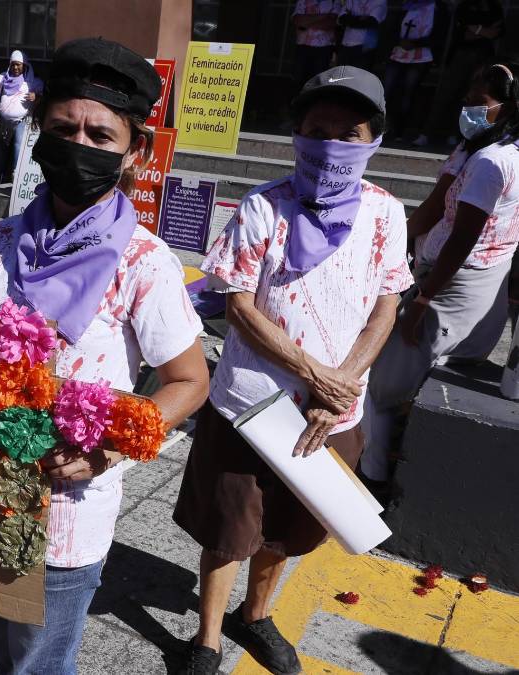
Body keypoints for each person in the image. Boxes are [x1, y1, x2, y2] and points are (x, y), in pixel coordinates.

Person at [0, 37, 210, 674]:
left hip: (62, 510)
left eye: (100, 135)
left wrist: (106, 449)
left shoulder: (144, 263)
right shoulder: (2, 241)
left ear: (133, 151)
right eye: (63, 129)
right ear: (37, 132)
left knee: (38, 659)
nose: (79, 146)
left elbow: (188, 381)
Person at [173, 66, 410, 674]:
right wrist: (310, 368)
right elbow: (238, 304)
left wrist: (342, 384)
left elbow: (387, 304)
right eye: (317, 129)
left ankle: (255, 617)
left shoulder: (385, 214)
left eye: (348, 133)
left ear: (374, 140)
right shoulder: (263, 207)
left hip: (331, 415)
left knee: (290, 526)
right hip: (251, 405)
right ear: (297, 136)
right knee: (231, 526)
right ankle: (205, 638)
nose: (331, 144)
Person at [362, 61, 519, 483]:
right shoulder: (475, 150)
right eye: (467, 98)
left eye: (479, 101)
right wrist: (395, 252)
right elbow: (436, 205)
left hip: (453, 287)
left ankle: (374, 479)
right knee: (404, 379)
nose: (467, 107)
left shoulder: (493, 162)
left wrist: (425, 299)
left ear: (508, 109)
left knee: (384, 385)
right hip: (448, 276)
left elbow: (464, 237)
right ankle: (382, 464)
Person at [415, 0, 503, 148]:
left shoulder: (494, 7)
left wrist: (478, 30)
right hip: (461, 54)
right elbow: (466, 30)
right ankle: (426, 133)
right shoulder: (466, 5)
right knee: (445, 93)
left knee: (471, 96)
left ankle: (457, 134)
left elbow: (496, 31)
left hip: (484, 56)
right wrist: (484, 31)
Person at [0, 50, 43, 184]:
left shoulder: (32, 82)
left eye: (18, 65)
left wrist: (36, 97)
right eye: (13, 65)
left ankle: (15, 181)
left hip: (21, 122)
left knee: (18, 150)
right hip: (1, 121)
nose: (15, 68)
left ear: (25, 65)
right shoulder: (2, 78)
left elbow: (45, 96)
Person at [384, 0, 437, 140]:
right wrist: (398, 41)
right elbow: (393, 28)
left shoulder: (436, 9)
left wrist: (415, 43)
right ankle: (382, 126)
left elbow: (439, 34)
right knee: (387, 89)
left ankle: (400, 131)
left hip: (420, 56)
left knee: (409, 93)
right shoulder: (406, 5)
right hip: (398, 53)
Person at [291, 0, 340, 86]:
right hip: (303, 46)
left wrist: (307, 21)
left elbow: (331, 23)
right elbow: (298, 21)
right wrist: (324, 16)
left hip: (324, 48)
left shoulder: (334, 1)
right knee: (298, 80)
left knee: (318, 82)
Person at [337, 0, 388, 69]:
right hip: (345, 44)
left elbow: (371, 22)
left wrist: (351, 18)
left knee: (359, 78)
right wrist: (360, 19)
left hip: (364, 47)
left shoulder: (380, 1)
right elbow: (341, 19)